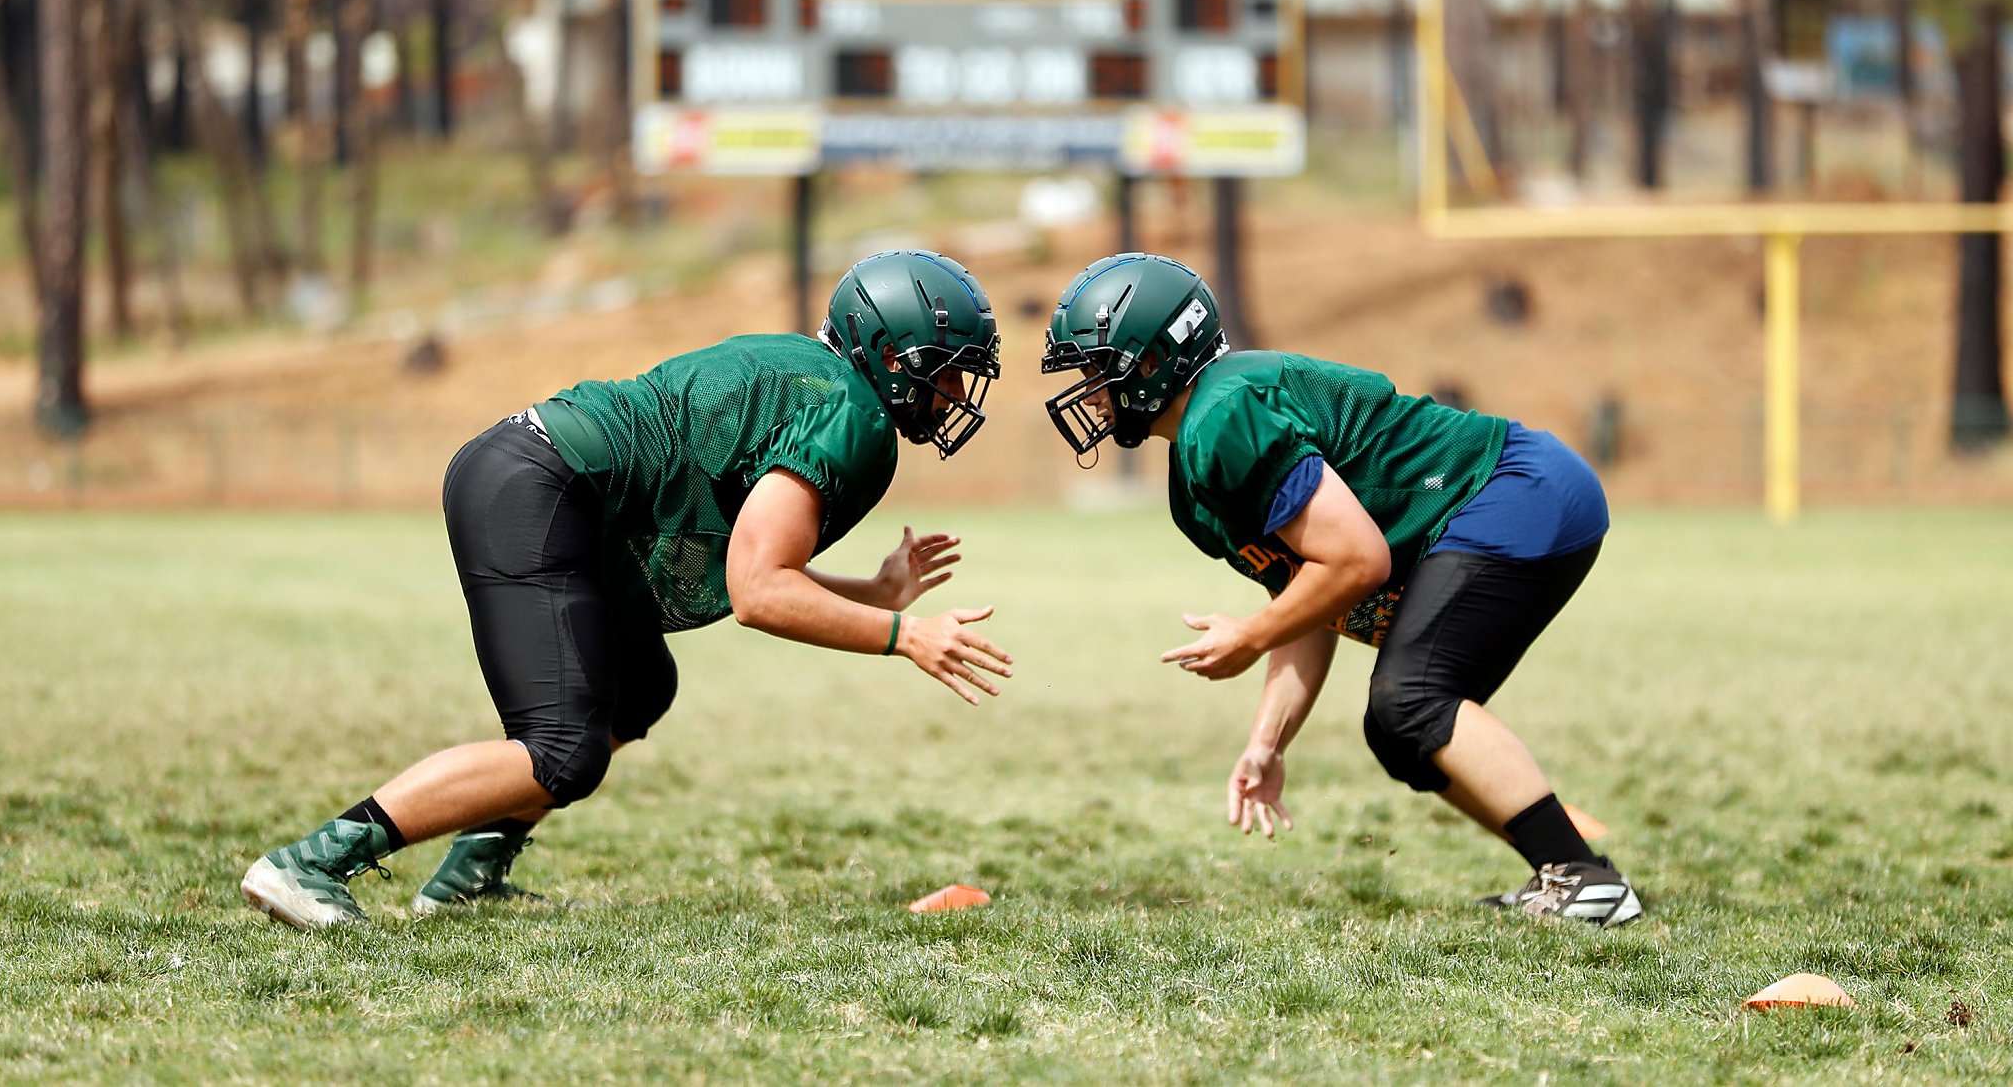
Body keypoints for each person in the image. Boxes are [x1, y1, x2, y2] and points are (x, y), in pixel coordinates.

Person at [243, 250, 1014, 928]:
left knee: (639, 686)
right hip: (546, 491)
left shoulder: (812, 375)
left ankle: (470, 874)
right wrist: (904, 636)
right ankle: (314, 860)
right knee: (562, 752)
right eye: (945, 368)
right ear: (888, 355)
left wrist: (876, 595)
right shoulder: (852, 416)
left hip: (541, 481)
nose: (955, 390)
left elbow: (756, 554)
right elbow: (757, 590)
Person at [1040, 252, 1638, 926]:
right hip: (1507, 499)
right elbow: (1310, 599)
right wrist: (1268, 740)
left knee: (1412, 698)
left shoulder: (1224, 415)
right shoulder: (1196, 473)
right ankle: (1569, 874)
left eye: (1096, 369)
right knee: (1398, 729)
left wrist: (1249, 637)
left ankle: (1589, 883)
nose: (1086, 390)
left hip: (1513, 491)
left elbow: (1357, 561)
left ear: (1152, 362)